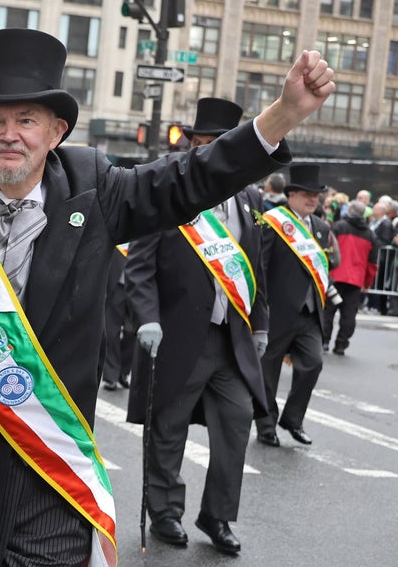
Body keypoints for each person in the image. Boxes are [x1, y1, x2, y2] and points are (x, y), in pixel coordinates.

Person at [0, 28, 334, 566]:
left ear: (56, 131)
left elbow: (187, 180)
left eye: (26, 120)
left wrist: (283, 115)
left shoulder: (94, 188)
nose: (9, 135)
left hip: (51, 478)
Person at [124, 98, 268, 555]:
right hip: (178, 333)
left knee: (236, 423)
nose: (207, 153)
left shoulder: (249, 198)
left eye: (218, 146)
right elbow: (140, 266)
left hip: (232, 337)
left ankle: (218, 515)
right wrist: (146, 318)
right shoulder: (171, 189)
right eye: (202, 144)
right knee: (168, 426)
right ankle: (165, 511)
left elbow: (254, 269)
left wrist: (260, 323)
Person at [255, 164, 337, 447]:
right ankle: (266, 425)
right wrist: (260, 308)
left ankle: (293, 419)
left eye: (316, 195)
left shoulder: (321, 228)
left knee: (313, 363)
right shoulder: (272, 221)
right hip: (277, 310)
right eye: (306, 194)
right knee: (269, 370)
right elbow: (261, 267)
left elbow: (324, 267)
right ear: (290, 195)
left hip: (310, 313)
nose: (312, 199)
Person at [323, 200, 377, 354]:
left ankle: (325, 340)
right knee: (349, 313)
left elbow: (329, 249)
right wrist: (367, 282)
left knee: (328, 310)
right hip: (355, 280)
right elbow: (372, 263)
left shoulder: (339, 226)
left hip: (336, 275)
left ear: (351, 210)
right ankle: (341, 344)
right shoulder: (370, 234)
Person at [100, 246, 134, 391]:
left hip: (138, 289)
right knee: (111, 331)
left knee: (132, 332)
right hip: (116, 286)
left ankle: (123, 372)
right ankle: (110, 376)